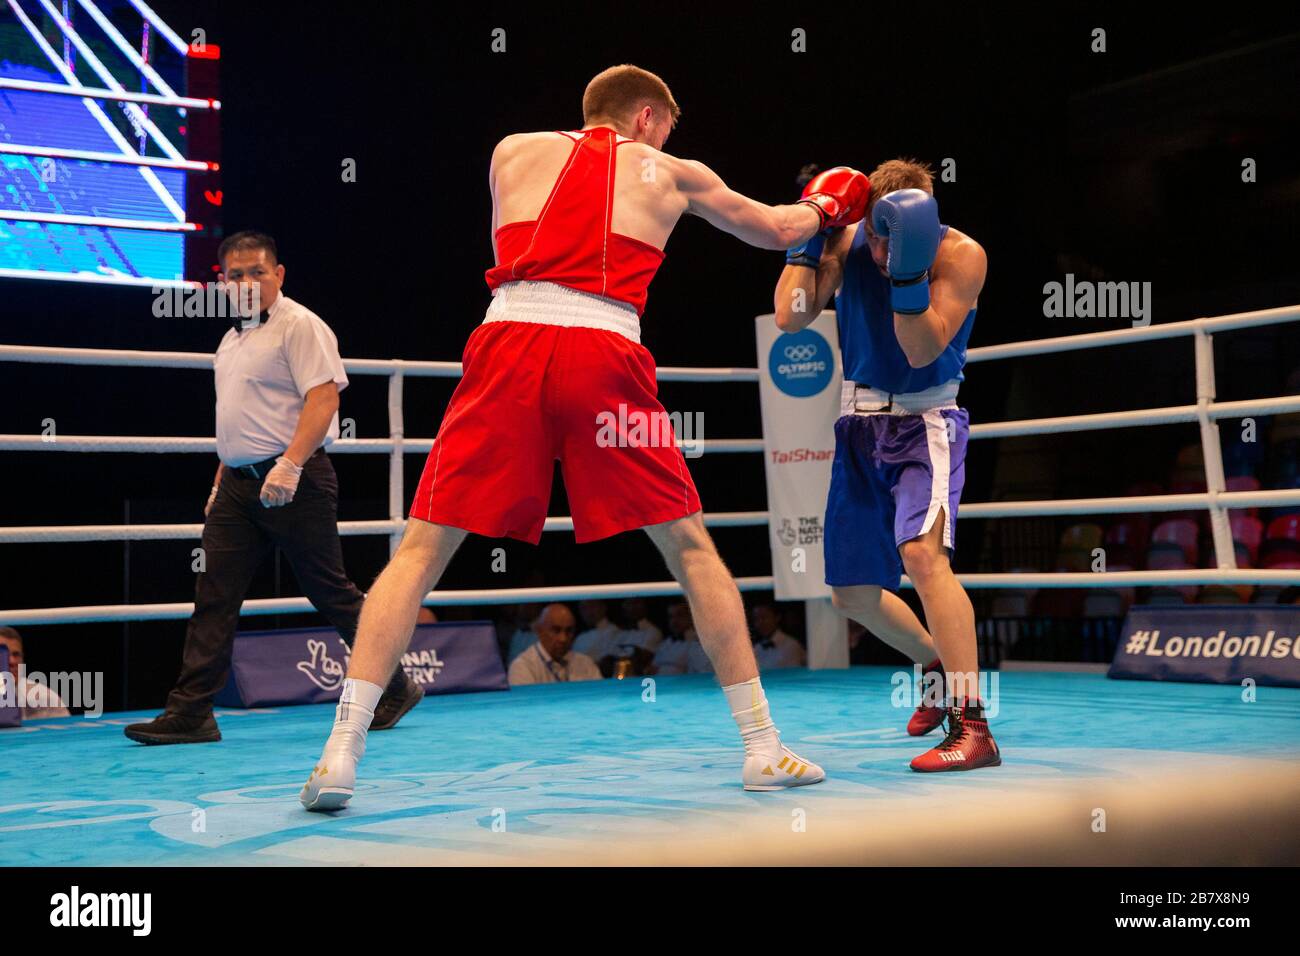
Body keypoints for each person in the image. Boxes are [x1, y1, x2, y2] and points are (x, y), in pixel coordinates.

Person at [301, 64, 867, 809]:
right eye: (668, 122)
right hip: (603, 352)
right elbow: (775, 228)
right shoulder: (671, 171)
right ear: (644, 117)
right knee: (691, 547)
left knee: (419, 548)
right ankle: (762, 748)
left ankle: (340, 753)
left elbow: (556, 220)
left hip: (508, 343)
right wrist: (830, 204)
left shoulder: (510, 151)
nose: (670, 136)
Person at [124, 231, 421, 745]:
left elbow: (324, 400)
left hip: (296, 481)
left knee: (330, 591)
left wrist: (289, 465)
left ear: (278, 275)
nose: (247, 282)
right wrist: (223, 476)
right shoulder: (231, 340)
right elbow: (241, 420)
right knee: (214, 595)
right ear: (222, 281)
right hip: (239, 489)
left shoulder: (301, 326)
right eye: (236, 274)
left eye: (257, 271)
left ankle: (393, 685)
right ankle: (192, 711)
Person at [774, 158, 1000, 772]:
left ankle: (974, 726)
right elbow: (792, 315)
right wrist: (809, 241)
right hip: (857, 424)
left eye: (893, 237)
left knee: (924, 557)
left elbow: (921, 346)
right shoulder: (847, 241)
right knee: (850, 594)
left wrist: (908, 270)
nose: (879, 248)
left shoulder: (961, 256)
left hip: (925, 422)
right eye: (875, 233)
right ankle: (934, 663)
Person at [507, 604, 602, 685]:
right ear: (540, 631)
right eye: (556, 630)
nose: (563, 638)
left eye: (569, 631)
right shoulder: (522, 667)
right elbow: (526, 705)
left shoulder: (586, 664)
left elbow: (600, 700)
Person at [0, 626, 70, 718]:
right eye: (3, 654)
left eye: (16, 655)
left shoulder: (44, 698)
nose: (12, 661)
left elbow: (66, 731)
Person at [749, 603, 806, 670]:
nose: (759, 623)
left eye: (764, 617)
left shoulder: (791, 645)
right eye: (756, 619)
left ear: (777, 617)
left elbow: (795, 675)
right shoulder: (756, 648)